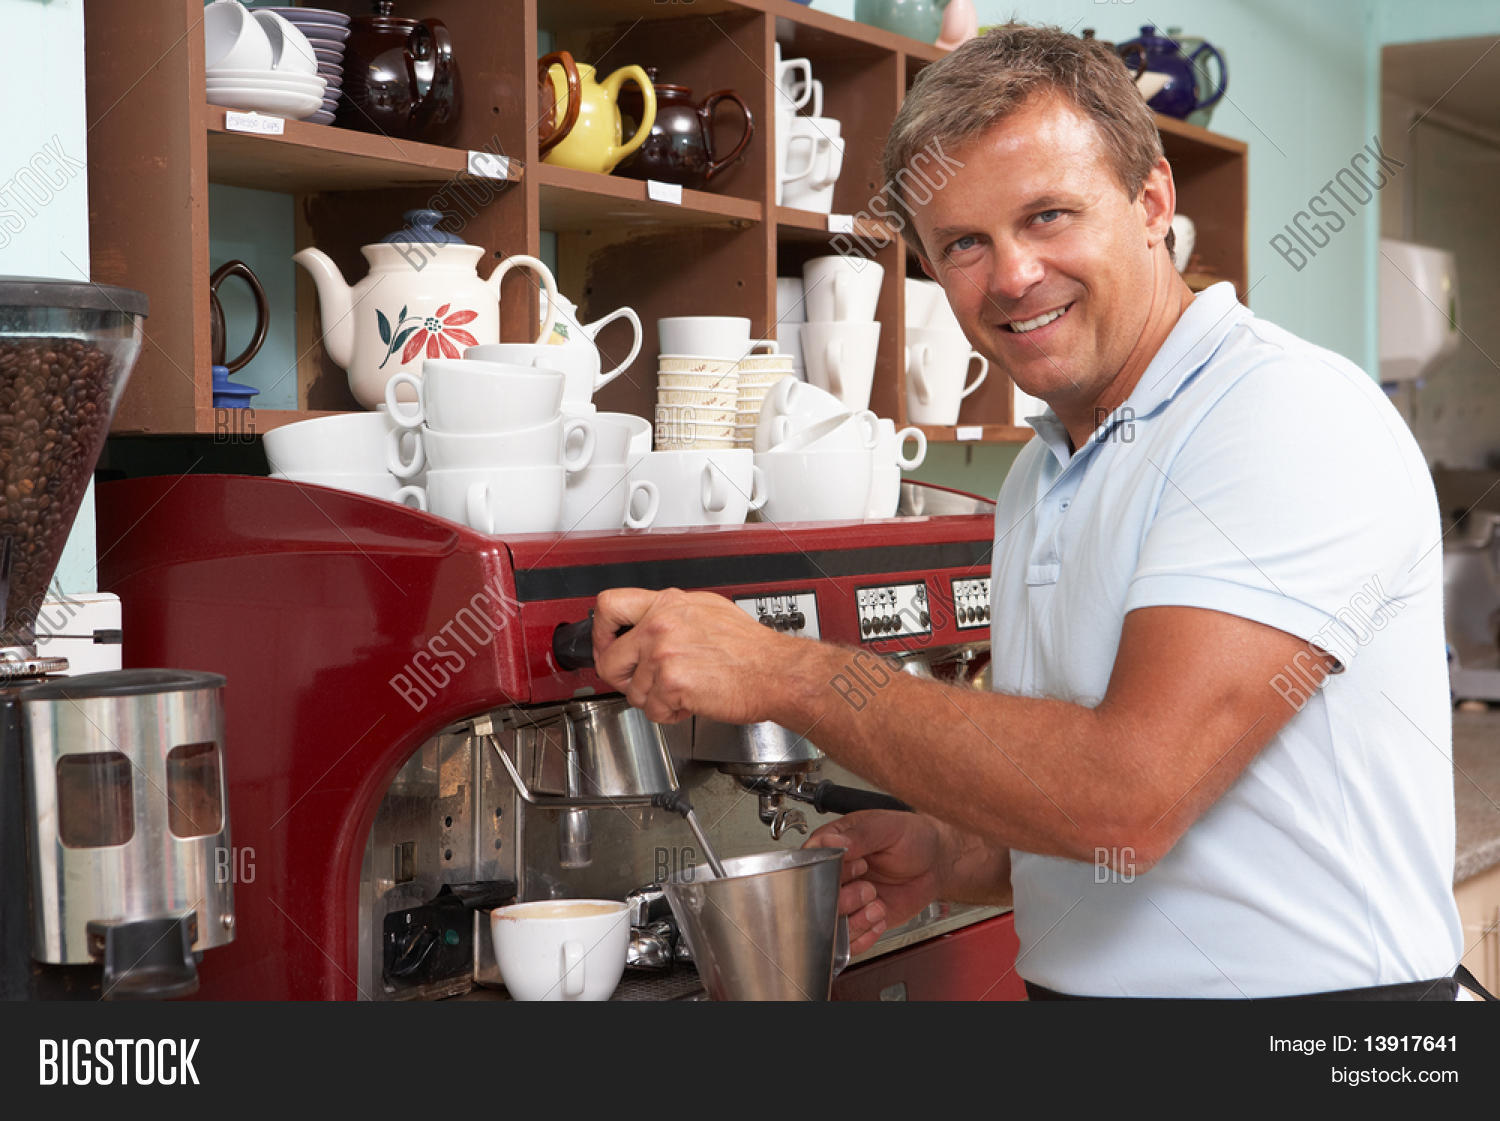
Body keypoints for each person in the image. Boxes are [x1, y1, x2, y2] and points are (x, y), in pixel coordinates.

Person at [592, 25, 1473, 999]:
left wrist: (783, 670)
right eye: (964, 242)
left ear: (1152, 203)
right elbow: (1079, 806)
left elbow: (1128, 798)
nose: (1011, 275)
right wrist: (950, 852)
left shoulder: (1279, 415)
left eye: (1049, 215)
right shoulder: (1039, 476)